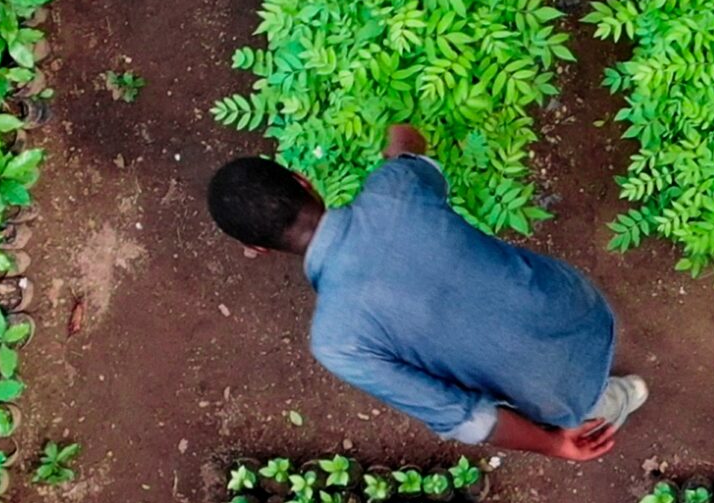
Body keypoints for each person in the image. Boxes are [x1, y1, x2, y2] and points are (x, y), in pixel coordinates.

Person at [207, 125, 646, 462]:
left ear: (257, 250)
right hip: (577, 302)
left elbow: (467, 418)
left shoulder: (338, 342)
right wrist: (397, 137)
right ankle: (618, 389)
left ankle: (620, 398)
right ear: (304, 182)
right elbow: (411, 145)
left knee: (593, 401)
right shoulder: (394, 186)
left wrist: (554, 445)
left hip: (557, 389)